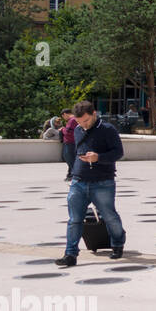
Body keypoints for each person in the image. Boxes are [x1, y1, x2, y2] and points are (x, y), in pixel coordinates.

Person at [56, 101, 126, 267]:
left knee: (109, 216)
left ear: (94, 114)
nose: (83, 125)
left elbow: (118, 152)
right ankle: (70, 254)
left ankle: (117, 243)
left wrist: (98, 158)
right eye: (79, 122)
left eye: (86, 121)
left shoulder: (108, 129)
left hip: (103, 181)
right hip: (79, 181)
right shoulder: (79, 130)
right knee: (74, 219)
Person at [60, 109, 78, 182]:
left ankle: (74, 175)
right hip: (71, 142)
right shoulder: (74, 119)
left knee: (69, 159)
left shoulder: (72, 120)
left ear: (64, 114)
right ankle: (71, 175)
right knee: (69, 158)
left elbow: (68, 132)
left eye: (63, 116)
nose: (64, 118)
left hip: (70, 142)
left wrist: (62, 129)